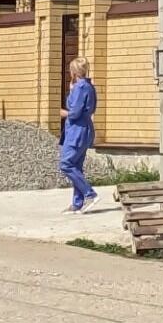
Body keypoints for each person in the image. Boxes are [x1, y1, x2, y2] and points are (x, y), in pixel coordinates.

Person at [60, 57, 99, 212]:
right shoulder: (88, 86)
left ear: (74, 72)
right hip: (84, 129)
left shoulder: (80, 87)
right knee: (76, 166)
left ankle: (90, 194)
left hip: (77, 130)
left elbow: (75, 112)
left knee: (66, 164)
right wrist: (71, 91)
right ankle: (77, 203)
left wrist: (64, 113)